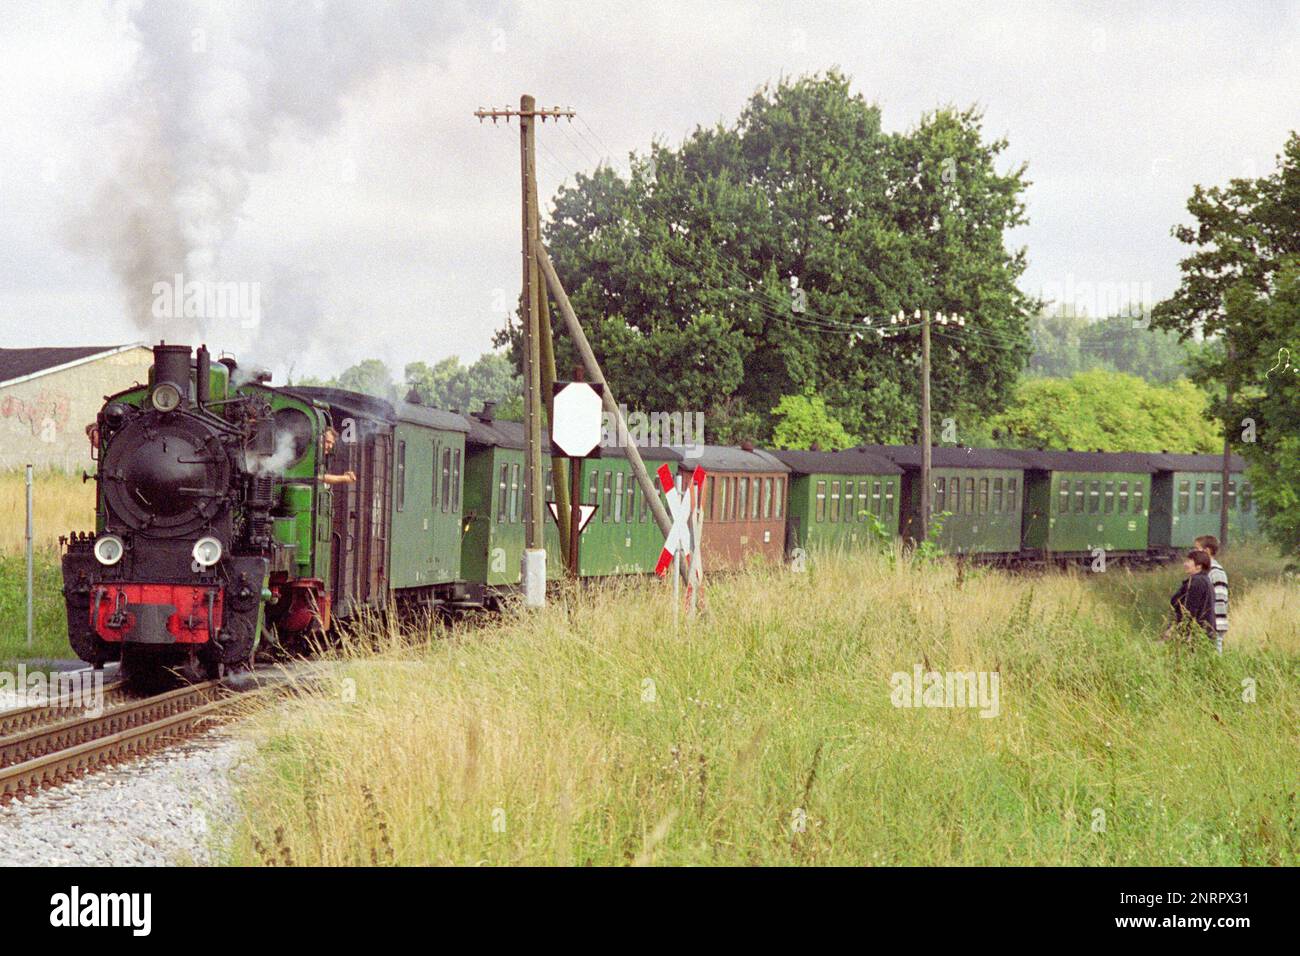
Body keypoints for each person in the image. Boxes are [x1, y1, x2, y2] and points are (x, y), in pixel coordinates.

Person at [1166, 549, 1216, 645]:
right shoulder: (1204, 580)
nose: (1185, 564)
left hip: (1195, 636)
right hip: (1203, 633)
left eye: (1189, 561)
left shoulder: (1196, 582)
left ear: (1199, 566)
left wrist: (1181, 631)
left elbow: (1190, 610)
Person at [1194, 535, 1229, 654]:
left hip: (1214, 626)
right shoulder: (1204, 571)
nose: (1194, 554)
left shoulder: (1215, 572)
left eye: (1197, 549)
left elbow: (1219, 602)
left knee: (1213, 659)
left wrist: (1211, 626)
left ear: (1207, 551)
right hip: (1206, 626)